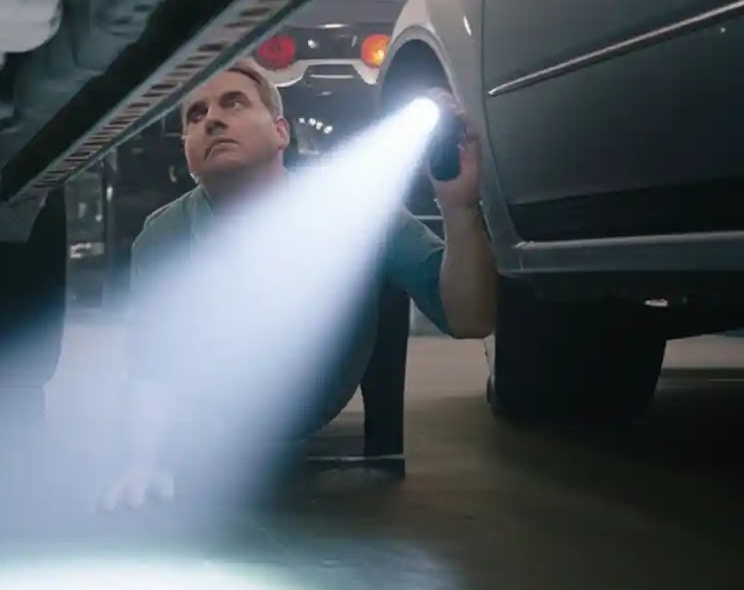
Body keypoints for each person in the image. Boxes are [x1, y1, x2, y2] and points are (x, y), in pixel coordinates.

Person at [100, 58, 497, 510]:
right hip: (217, 415)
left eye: (234, 103)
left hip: (319, 394)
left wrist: (459, 211)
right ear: (186, 149)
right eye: (196, 115)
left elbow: (471, 319)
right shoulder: (165, 235)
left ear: (281, 132)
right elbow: (153, 367)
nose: (212, 119)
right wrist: (142, 461)